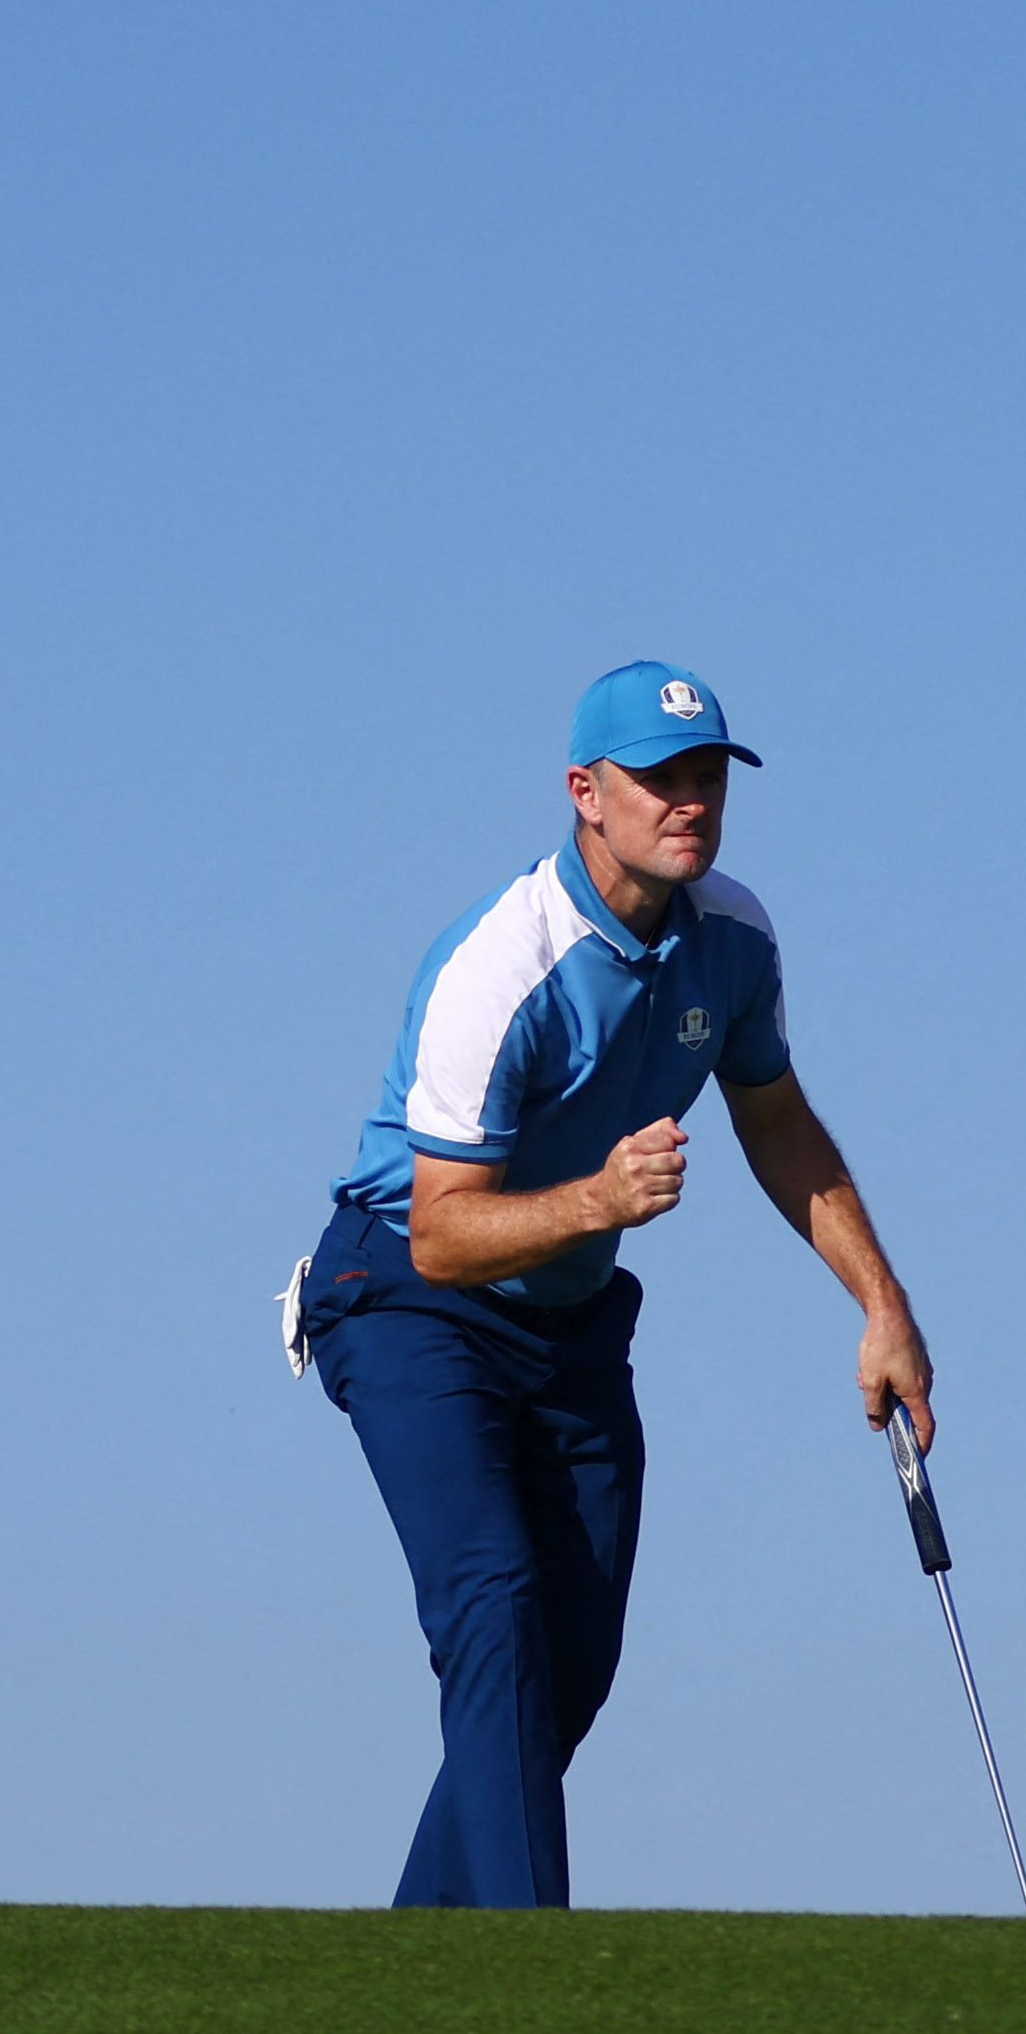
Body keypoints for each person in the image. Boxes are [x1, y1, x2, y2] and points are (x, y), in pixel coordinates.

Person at [288, 661, 940, 1910]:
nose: (688, 803)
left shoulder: (734, 939)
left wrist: (882, 1308)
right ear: (585, 793)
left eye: (706, 779)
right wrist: (599, 1198)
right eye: (659, 781)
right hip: (409, 1301)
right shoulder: (500, 968)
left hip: (571, 1321)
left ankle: (408, 1975)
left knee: (567, 1671)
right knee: (493, 1608)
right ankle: (540, 1983)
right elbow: (439, 1235)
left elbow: (779, 1122)